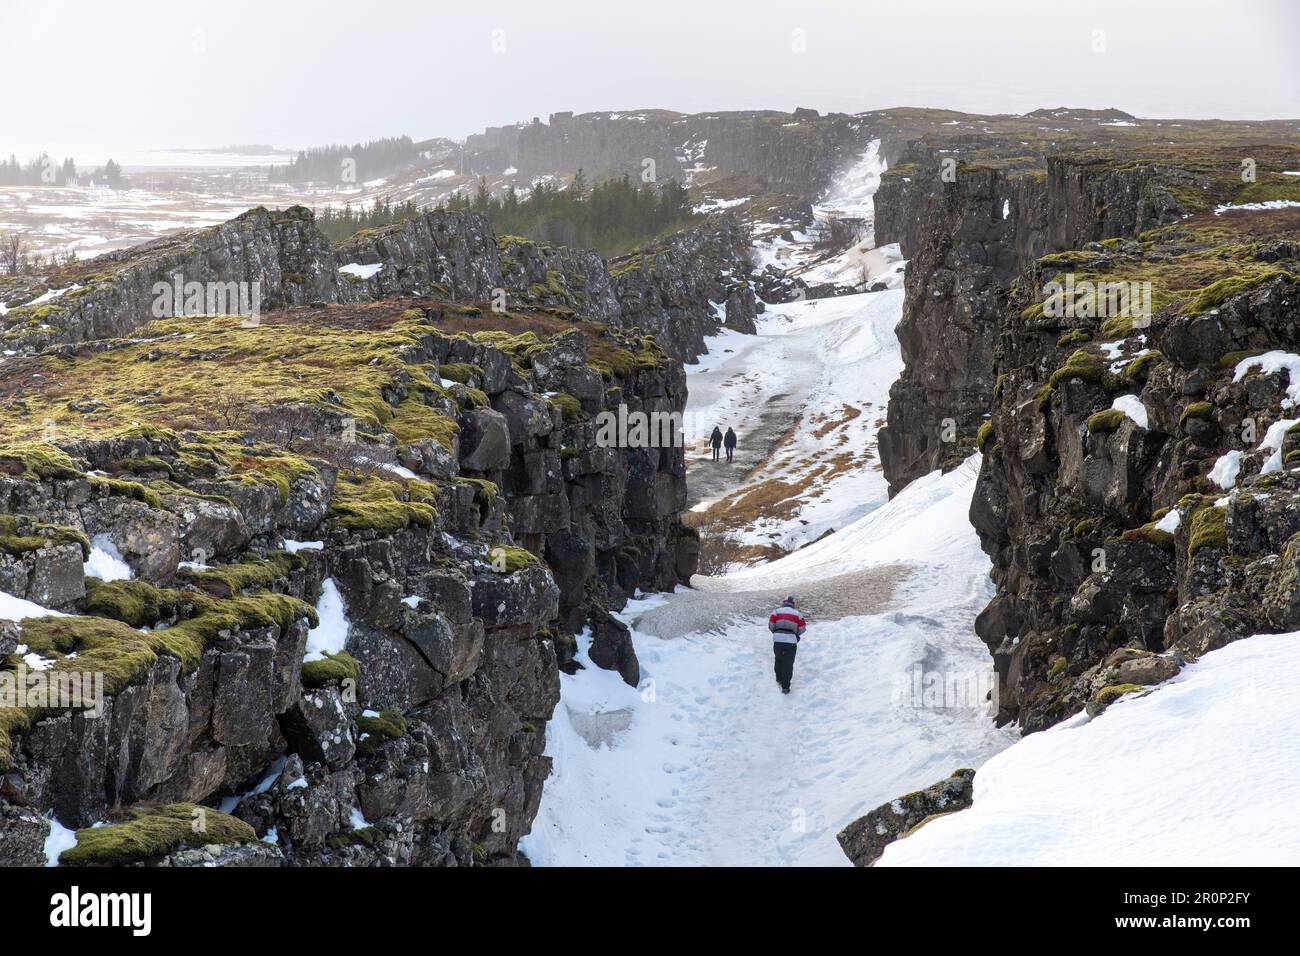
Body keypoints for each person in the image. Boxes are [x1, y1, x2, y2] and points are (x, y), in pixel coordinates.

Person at [768, 595, 806, 694]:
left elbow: (771, 625)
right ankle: (785, 687)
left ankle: (779, 679)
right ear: (794, 604)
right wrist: (795, 634)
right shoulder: (798, 614)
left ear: (783, 603)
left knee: (778, 659)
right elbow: (802, 629)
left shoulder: (776, 612)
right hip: (791, 641)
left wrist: (777, 633)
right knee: (788, 664)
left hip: (778, 640)